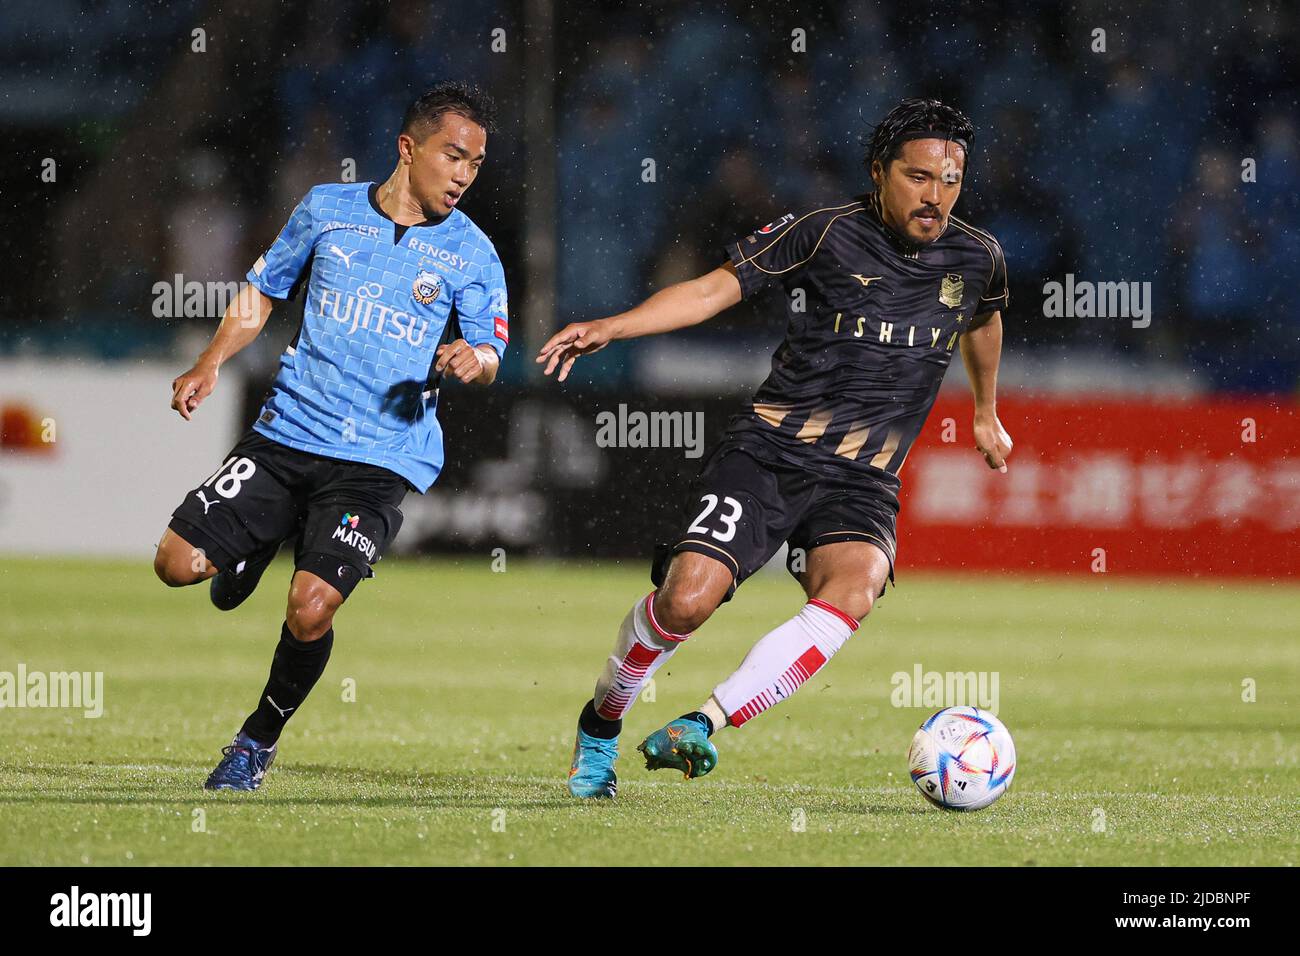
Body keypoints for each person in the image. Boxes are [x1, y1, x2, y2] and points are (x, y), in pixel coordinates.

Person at [539, 98, 1012, 798]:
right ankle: (604, 719)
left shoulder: (978, 257)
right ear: (879, 172)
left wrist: (985, 410)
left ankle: (703, 722)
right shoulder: (822, 232)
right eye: (918, 177)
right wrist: (616, 325)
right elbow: (709, 291)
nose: (935, 196)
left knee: (857, 587)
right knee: (685, 602)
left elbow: (984, 319)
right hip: (772, 453)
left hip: (863, 478)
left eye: (950, 181)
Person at [154, 82, 509, 791]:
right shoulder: (327, 209)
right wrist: (210, 360)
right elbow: (262, 292)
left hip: (380, 458)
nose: (466, 174)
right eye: (454, 155)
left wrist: (478, 361)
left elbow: (493, 349)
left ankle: (255, 742)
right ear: (409, 148)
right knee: (175, 564)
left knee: (312, 605)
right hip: (288, 434)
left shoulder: (473, 252)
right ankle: (248, 550)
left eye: (476, 162)